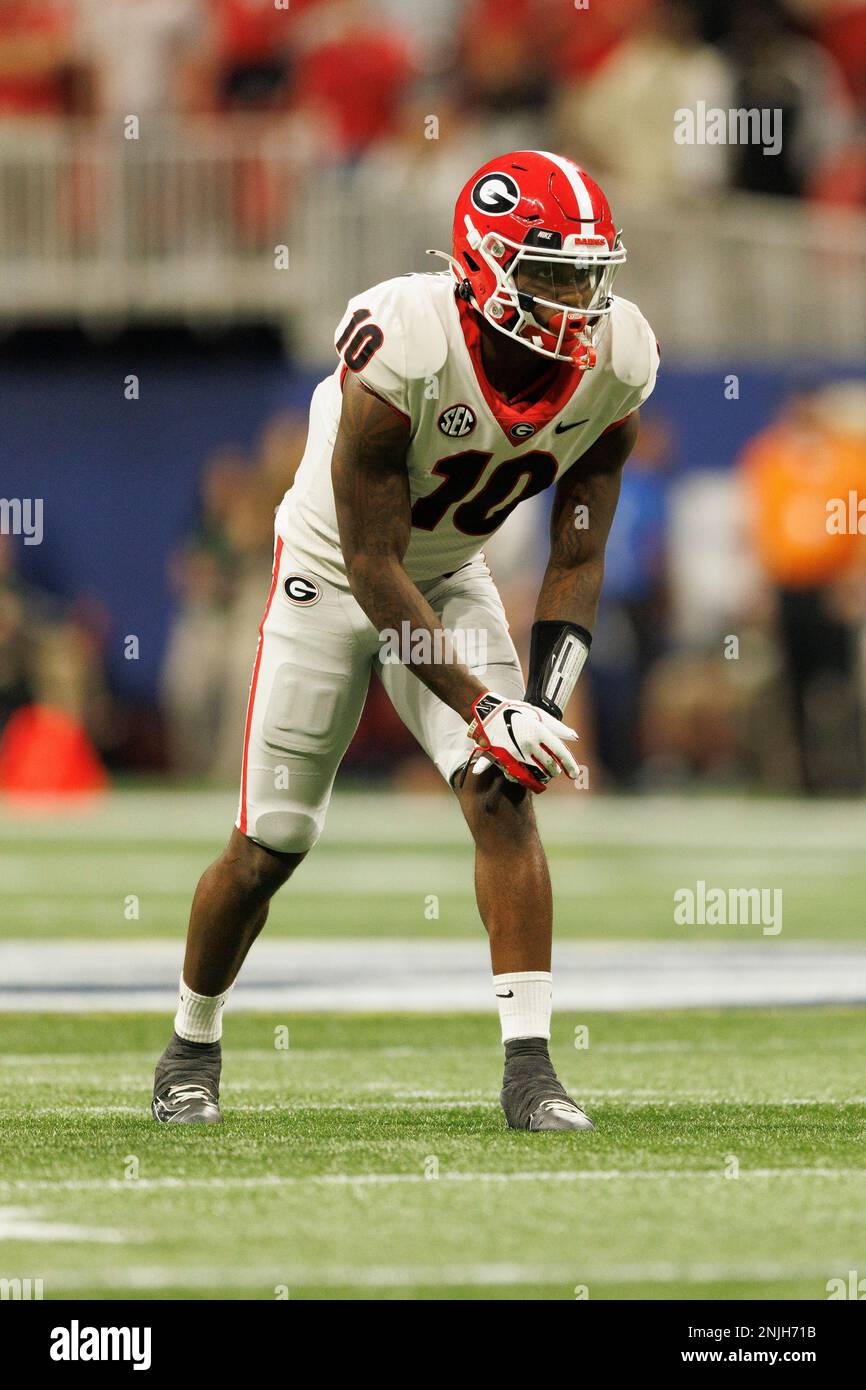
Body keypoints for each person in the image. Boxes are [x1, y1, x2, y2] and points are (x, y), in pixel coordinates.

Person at [152, 150, 659, 1131]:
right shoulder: (404, 344)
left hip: (449, 572)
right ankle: (191, 1043)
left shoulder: (617, 363)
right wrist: (483, 703)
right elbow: (374, 564)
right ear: (481, 264)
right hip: (332, 575)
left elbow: (577, 554)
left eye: (586, 273)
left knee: (500, 793)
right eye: (549, 271)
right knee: (271, 842)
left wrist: (537, 708)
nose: (574, 298)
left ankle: (529, 1071)